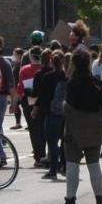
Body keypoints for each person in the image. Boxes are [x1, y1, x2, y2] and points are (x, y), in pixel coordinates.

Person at [58, 49, 102, 204]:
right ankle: (99, 200)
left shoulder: (72, 84)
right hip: (94, 129)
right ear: (88, 63)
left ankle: (70, 200)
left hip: (74, 129)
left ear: (73, 64)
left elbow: (69, 107)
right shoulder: (96, 83)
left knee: (72, 165)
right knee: (94, 165)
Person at [33, 50, 67, 179]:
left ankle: (53, 169)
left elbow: (41, 96)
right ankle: (65, 165)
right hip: (65, 113)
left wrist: (35, 109)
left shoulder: (47, 77)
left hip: (50, 112)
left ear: (51, 62)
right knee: (64, 141)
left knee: (52, 142)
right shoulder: (66, 77)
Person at [18, 47, 47, 167]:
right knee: (43, 129)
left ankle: (38, 156)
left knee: (34, 130)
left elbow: (20, 87)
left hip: (29, 101)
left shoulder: (24, 69)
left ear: (30, 56)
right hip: (44, 101)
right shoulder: (45, 68)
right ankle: (45, 155)